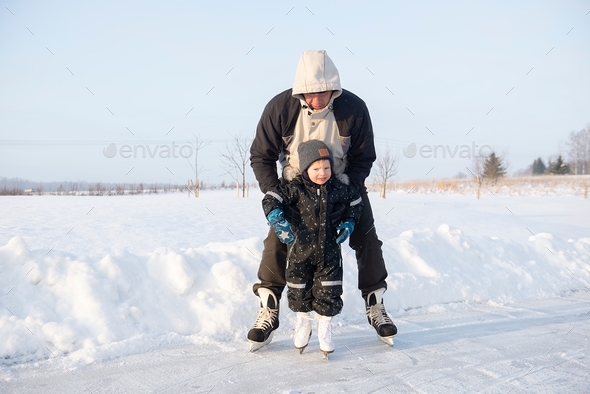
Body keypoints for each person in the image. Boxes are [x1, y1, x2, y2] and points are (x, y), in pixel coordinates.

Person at [248, 49, 397, 352]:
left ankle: (375, 302)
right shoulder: (280, 108)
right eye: (310, 94)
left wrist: (349, 189)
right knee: (276, 243)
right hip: (297, 188)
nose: (317, 99)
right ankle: (269, 307)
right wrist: (276, 198)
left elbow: (363, 157)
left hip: (343, 185)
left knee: (367, 238)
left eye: (324, 92)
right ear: (300, 90)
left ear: (335, 87)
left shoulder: (353, 109)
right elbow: (261, 157)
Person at [262, 140, 363, 355]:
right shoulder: (295, 189)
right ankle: (303, 322)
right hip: (300, 253)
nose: (322, 173)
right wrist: (276, 217)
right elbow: (272, 197)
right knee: (299, 291)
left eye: (326, 167)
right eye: (316, 168)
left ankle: (325, 328)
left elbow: (355, 201)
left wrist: (349, 222)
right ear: (306, 168)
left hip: (330, 254)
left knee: (329, 291)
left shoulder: (338, 189)